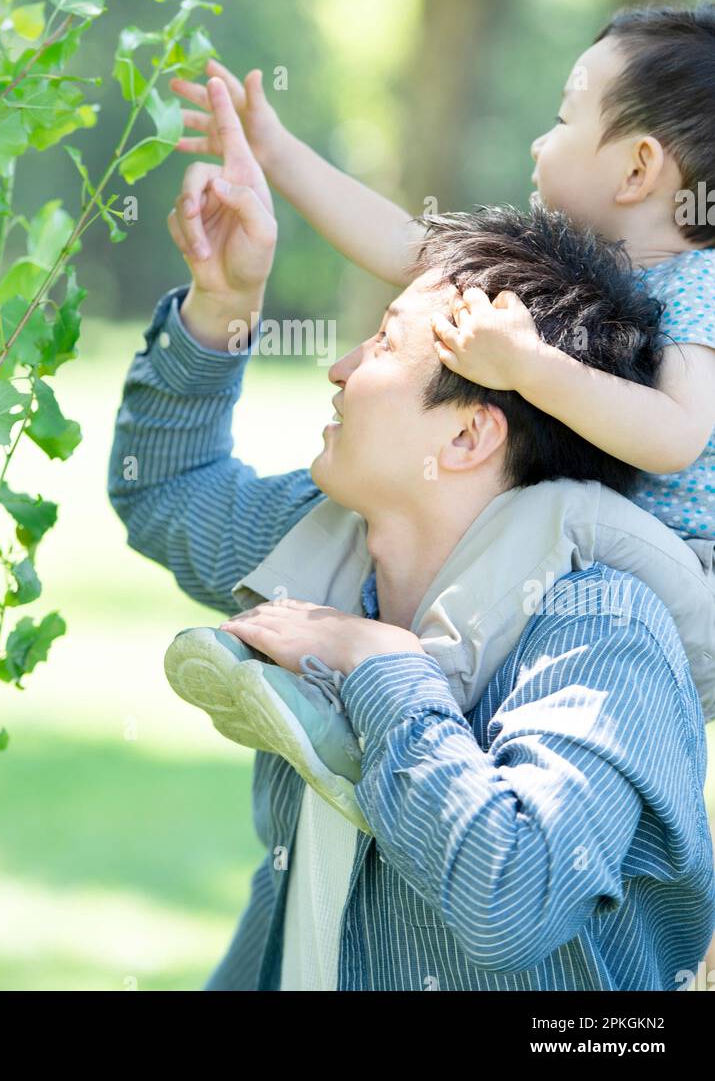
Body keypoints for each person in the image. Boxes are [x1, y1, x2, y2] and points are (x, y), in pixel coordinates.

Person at [107, 77, 715, 990]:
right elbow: (161, 494)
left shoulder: (603, 637)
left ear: (469, 433)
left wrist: (379, 666)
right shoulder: (332, 539)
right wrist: (224, 302)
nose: (338, 367)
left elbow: (508, 899)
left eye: (383, 343)